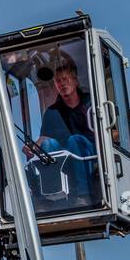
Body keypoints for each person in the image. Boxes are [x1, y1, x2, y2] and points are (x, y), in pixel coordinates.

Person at [36, 54, 97, 203]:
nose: (62, 84)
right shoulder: (51, 112)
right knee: (48, 145)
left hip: (89, 153)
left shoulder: (92, 103)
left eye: (66, 79)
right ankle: (54, 194)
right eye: (58, 81)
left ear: (75, 81)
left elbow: (113, 132)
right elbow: (44, 138)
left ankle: (84, 195)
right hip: (64, 156)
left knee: (74, 140)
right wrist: (36, 145)